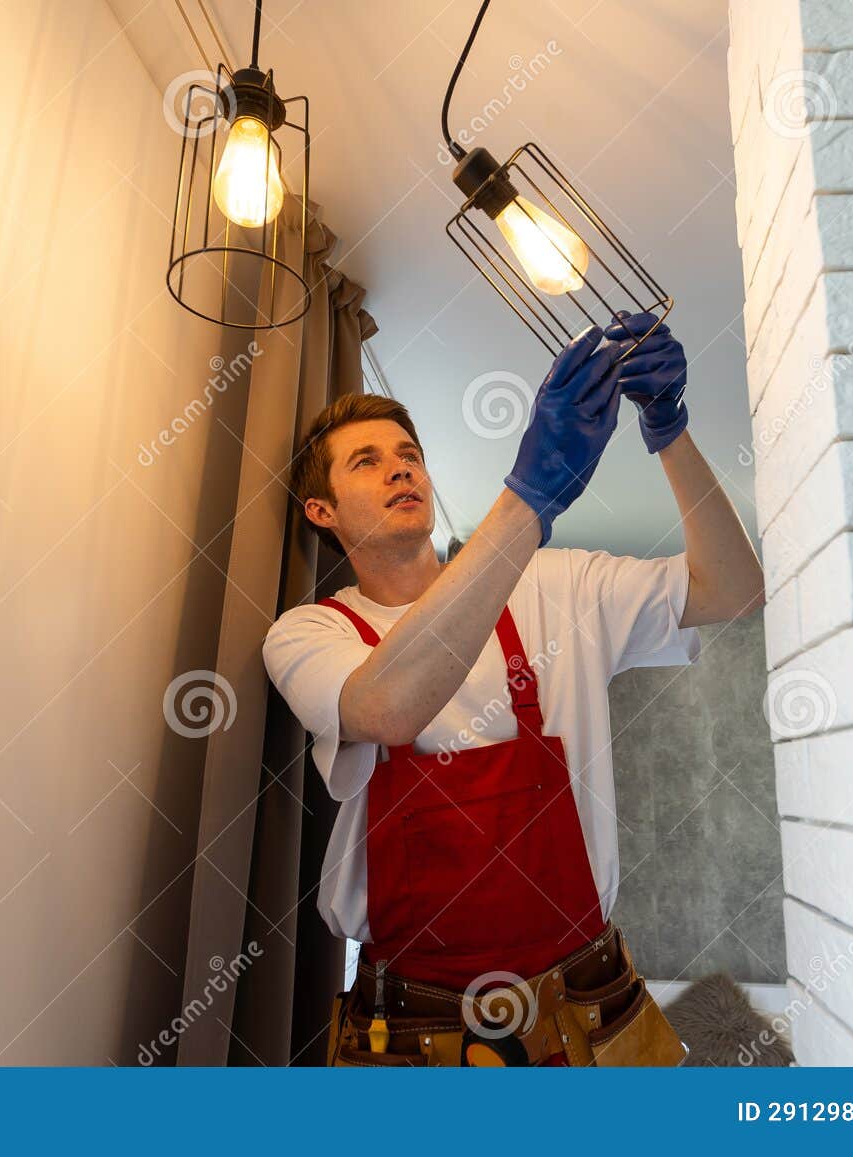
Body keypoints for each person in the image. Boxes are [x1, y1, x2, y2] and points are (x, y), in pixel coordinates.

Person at [261, 311, 765, 1065]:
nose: (400, 469)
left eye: (409, 454)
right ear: (320, 511)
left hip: (594, 1013)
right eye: (366, 461)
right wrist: (527, 497)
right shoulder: (308, 634)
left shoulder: (554, 585)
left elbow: (734, 589)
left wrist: (671, 431)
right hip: (414, 1037)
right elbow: (386, 708)